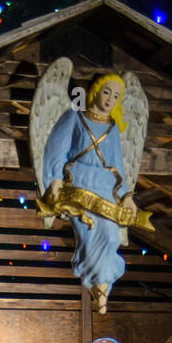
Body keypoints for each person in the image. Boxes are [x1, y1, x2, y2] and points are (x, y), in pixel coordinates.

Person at [42, 73, 135, 314]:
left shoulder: (113, 128)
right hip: (79, 185)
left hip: (105, 188)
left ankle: (102, 284)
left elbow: (118, 166)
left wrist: (127, 196)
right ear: (95, 91)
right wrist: (54, 180)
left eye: (116, 96)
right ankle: (97, 284)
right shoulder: (75, 118)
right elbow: (56, 149)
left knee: (113, 238)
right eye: (107, 92)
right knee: (91, 233)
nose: (110, 99)